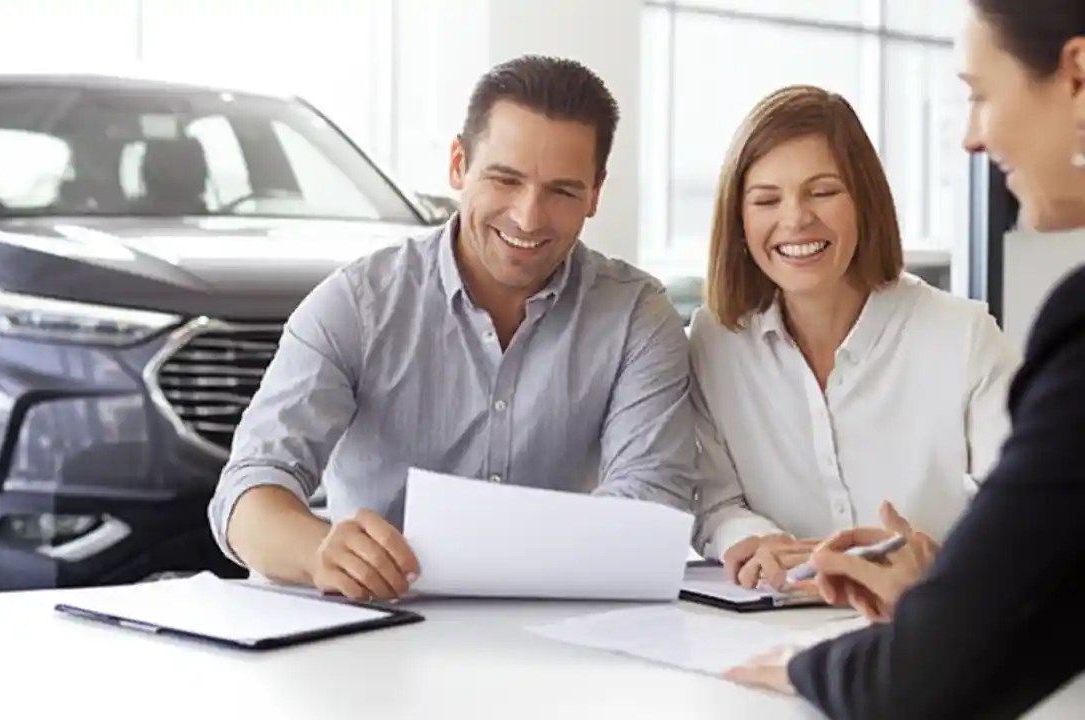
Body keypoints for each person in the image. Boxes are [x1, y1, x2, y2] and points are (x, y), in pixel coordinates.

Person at [207, 55, 699, 602]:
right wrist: (318, 551)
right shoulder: (357, 304)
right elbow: (248, 492)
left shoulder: (637, 316)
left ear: (595, 193)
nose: (528, 217)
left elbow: (651, 503)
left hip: (555, 630)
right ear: (459, 164)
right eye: (505, 179)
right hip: (377, 628)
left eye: (562, 191)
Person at [726, 0, 1085, 716]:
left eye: (980, 95)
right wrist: (942, 601)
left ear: (1077, 77)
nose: (972, 137)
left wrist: (811, 665)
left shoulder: (1048, 329)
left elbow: (918, 682)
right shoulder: (719, 340)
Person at [689, 84, 1021, 589]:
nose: (796, 218)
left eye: (823, 192)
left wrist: (936, 561)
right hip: (770, 626)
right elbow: (713, 499)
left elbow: (1025, 512)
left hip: (930, 625)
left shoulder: (963, 335)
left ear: (864, 201)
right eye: (766, 199)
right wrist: (750, 538)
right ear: (739, 219)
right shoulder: (716, 338)